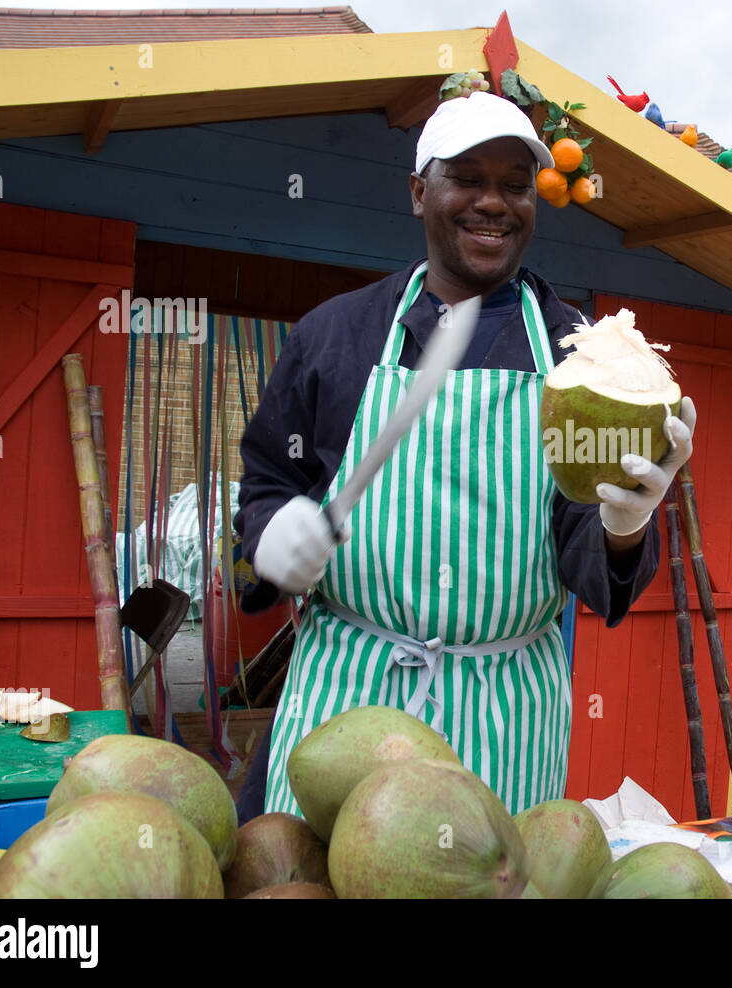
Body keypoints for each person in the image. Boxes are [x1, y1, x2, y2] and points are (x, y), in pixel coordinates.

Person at [233, 92, 697, 817]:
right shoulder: (336, 336)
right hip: (350, 703)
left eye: (516, 184)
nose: (494, 202)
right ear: (420, 192)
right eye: (467, 179)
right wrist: (271, 539)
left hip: (502, 722)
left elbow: (586, 546)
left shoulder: (582, 356)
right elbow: (266, 482)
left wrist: (624, 528)